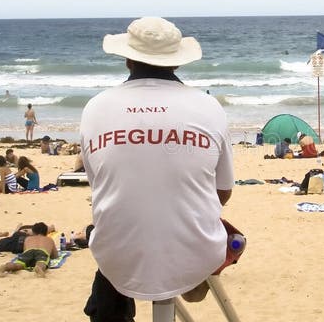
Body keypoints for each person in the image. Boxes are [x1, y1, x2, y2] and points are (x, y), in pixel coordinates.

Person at [79, 16, 234, 304]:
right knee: (226, 235)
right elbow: (223, 191)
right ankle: (190, 278)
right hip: (197, 252)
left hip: (114, 256)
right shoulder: (208, 106)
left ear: (128, 59)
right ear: (177, 61)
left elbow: (98, 183)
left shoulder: (95, 108)